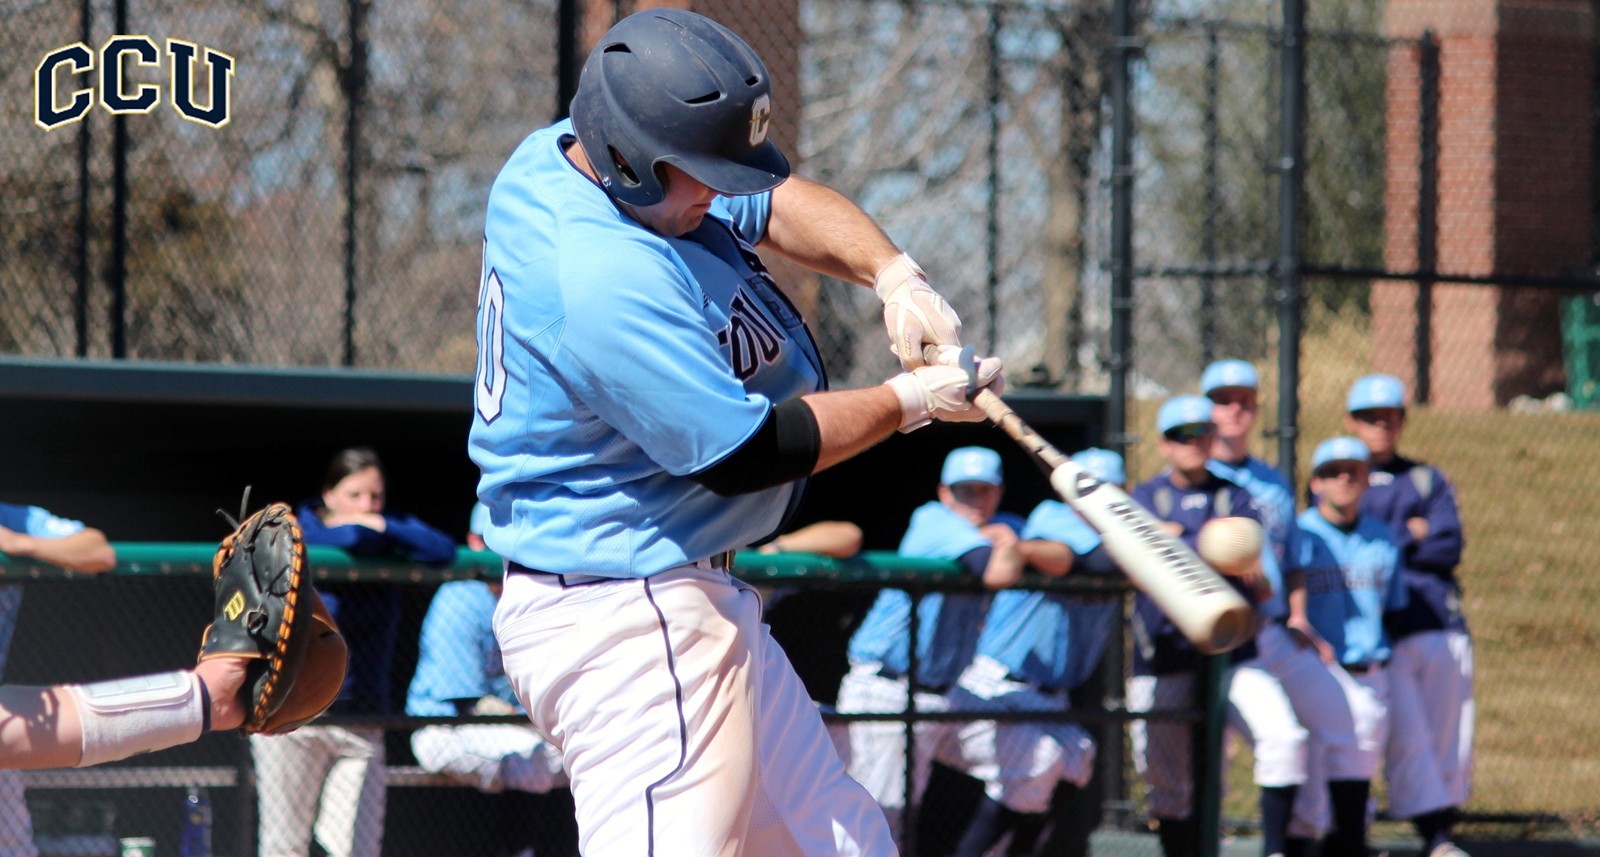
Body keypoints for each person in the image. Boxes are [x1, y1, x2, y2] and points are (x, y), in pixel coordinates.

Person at [468, 9, 1003, 855]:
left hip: (677, 596)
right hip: (629, 621)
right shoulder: (601, 276)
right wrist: (912, 400)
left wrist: (893, 273)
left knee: (848, 844)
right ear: (623, 158)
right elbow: (751, 450)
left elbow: (774, 199)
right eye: (697, 173)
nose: (717, 193)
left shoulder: (567, 154)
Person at [252, 447, 455, 857]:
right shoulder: (295, 527)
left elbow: (441, 549)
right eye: (355, 495)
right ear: (328, 494)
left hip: (361, 716)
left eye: (375, 497)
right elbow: (344, 537)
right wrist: (378, 530)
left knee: (356, 848)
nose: (366, 506)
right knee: (284, 846)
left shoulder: (386, 530)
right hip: (293, 715)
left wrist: (380, 524)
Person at [925, 447, 1125, 857]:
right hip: (996, 678)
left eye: (1111, 490)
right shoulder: (1054, 516)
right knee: (1040, 760)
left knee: (1078, 757)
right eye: (1090, 489)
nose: (1099, 500)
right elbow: (1099, 559)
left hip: (1047, 693)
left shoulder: (1123, 530)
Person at [836, 447, 1027, 847]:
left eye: (984, 490)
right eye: (964, 491)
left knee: (1035, 757)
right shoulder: (933, 521)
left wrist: (1008, 537)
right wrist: (1008, 541)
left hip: (949, 695)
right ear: (944, 492)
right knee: (880, 820)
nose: (975, 500)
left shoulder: (998, 525)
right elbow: (1000, 571)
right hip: (887, 689)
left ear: (999, 492)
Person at [1202, 359, 1354, 857]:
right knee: (1203, 768)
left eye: (1245, 402)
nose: (1235, 411)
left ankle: (1305, 842)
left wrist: (1298, 614)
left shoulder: (1271, 480)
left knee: (1337, 721)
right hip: (1211, 635)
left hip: (1269, 630)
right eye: (1224, 401)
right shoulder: (1197, 477)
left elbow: (1291, 562)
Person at [1126, 396, 1278, 857]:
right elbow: (1141, 554)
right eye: (1180, 435)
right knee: (1168, 783)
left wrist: (1178, 539)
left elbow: (1248, 553)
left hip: (1228, 655)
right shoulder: (1147, 496)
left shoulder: (1236, 494)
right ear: (1163, 444)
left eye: (1201, 433)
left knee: (1218, 771)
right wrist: (1208, 543)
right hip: (1164, 655)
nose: (1193, 443)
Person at [1344, 374, 1473, 857]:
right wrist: (1410, 532)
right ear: (1351, 422)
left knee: (1447, 736)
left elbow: (1449, 544)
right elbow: (1347, 545)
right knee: (1393, 736)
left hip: (1436, 621)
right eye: (1369, 417)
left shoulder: (1424, 477)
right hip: (1373, 632)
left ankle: (1440, 839)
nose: (1380, 426)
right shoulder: (1342, 474)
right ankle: (1360, 836)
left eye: (1389, 417)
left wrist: (1387, 537)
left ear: (1402, 421)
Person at [406, 502, 570, 857]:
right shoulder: (461, 597)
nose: (501, 550)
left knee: (583, 751)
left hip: (511, 727)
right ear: (474, 542)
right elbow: (470, 704)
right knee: (530, 759)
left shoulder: (528, 598)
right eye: (490, 540)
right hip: (443, 728)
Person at [1289, 436, 1409, 857]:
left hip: (1368, 673)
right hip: (1316, 673)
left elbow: (1394, 606)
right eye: (1332, 471)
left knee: (1354, 790)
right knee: (1309, 796)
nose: (1344, 478)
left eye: (1353, 470)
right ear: (1316, 482)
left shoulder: (1381, 537)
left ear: (1366, 479)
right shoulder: (1301, 533)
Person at [0, 503, 115, 857]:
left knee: (15, 847)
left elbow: (98, 551)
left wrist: (21, 545)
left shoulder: (12, 519)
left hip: (3, 718)